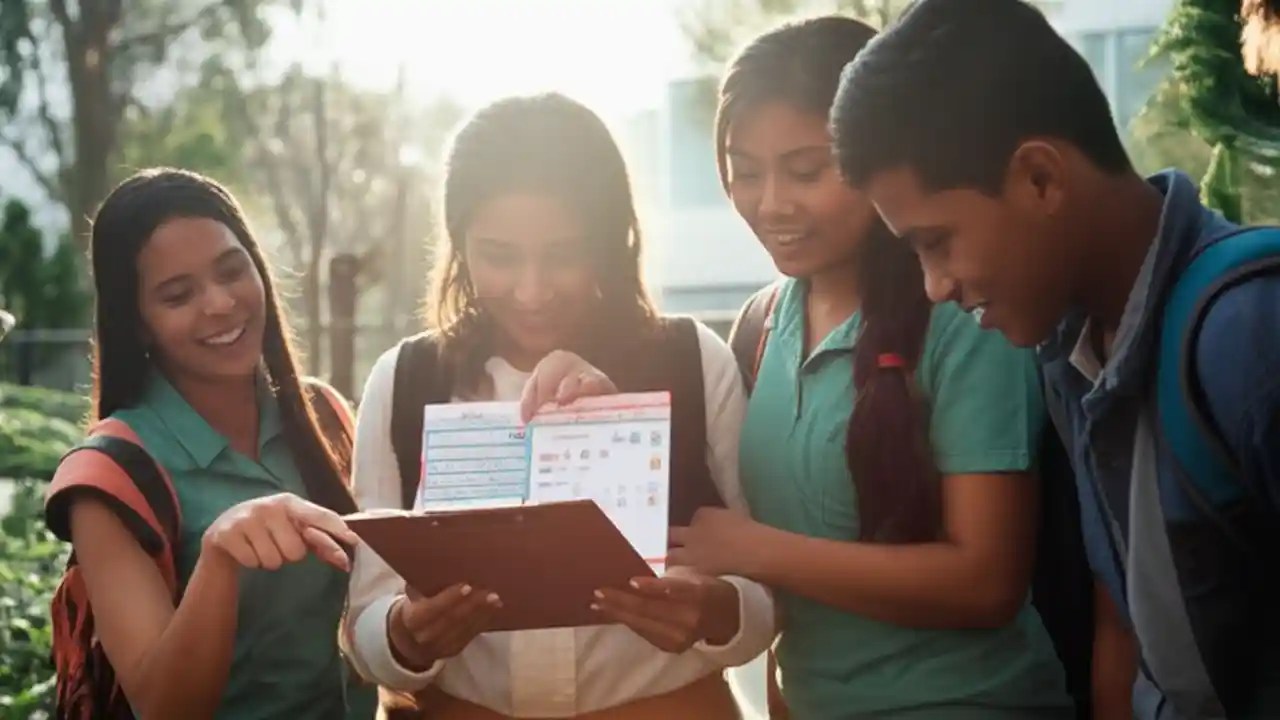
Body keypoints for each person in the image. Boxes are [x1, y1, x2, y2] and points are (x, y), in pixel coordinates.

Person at [829, 0, 1280, 718]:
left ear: (1040, 177)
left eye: (937, 240)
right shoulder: (1068, 352)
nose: (934, 286)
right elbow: (1133, 630)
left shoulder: (1247, 333)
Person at [667, 16, 1073, 720]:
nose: (771, 205)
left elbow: (985, 580)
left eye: (805, 170)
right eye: (745, 172)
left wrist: (758, 551)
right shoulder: (761, 326)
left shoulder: (960, 312)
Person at [341, 93, 775, 719]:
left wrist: (714, 610)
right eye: (499, 256)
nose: (532, 290)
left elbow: (765, 593)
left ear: (609, 240)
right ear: (458, 242)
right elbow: (366, 619)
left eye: (564, 255)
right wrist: (407, 634)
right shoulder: (406, 382)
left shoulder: (693, 362)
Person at [42, 168, 376, 719]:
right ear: (139, 324)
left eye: (232, 270)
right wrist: (218, 558)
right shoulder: (108, 477)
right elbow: (164, 707)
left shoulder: (324, 416)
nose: (220, 304)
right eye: (178, 295)